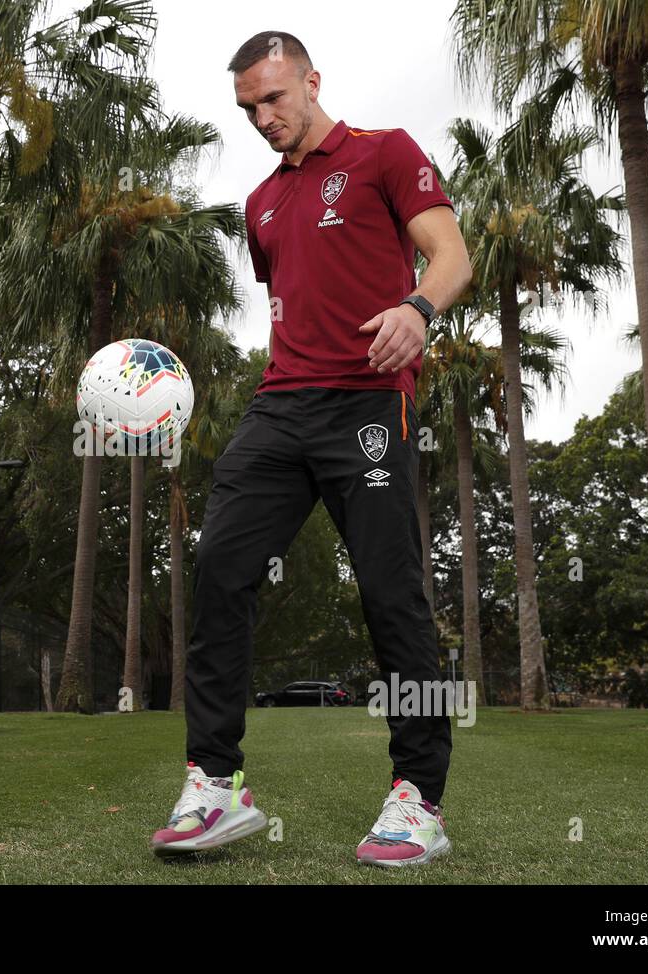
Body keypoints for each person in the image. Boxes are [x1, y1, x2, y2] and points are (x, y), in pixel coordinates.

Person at [150, 30, 472, 867]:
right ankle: (215, 786)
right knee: (219, 565)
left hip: (366, 402)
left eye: (274, 97)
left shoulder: (384, 154)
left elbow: (452, 256)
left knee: (393, 593)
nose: (263, 116)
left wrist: (417, 310)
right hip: (280, 406)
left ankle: (419, 798)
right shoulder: (260, 204)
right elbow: (296, 298)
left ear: (310, 80)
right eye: (248, 106)